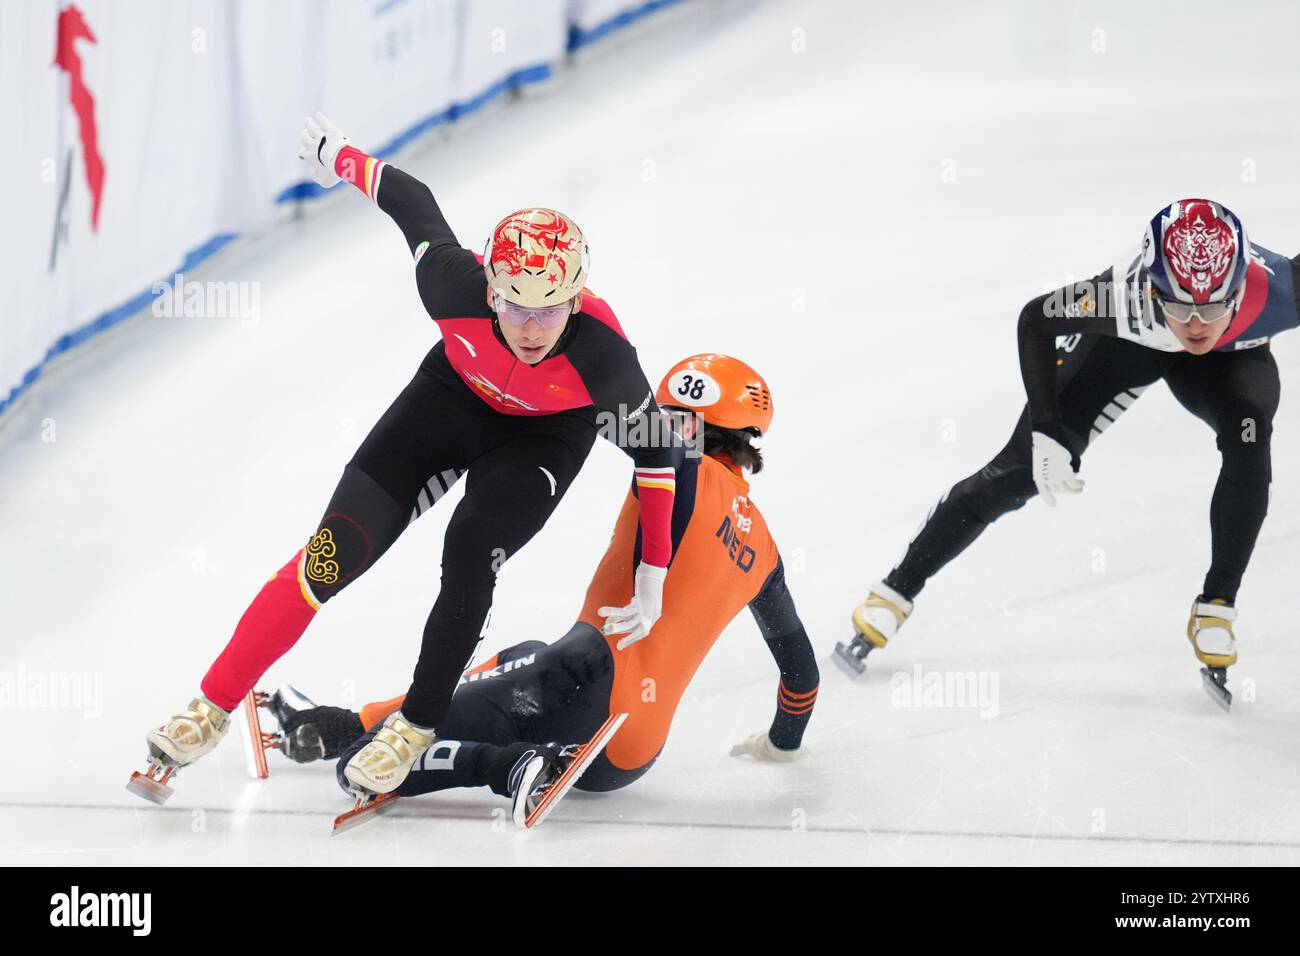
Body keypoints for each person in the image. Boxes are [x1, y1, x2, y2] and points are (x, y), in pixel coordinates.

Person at [130, 114, 679, 804]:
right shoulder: (450, 283)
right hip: (448, 401)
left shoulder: (604, 359)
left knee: (472, 547)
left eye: (551, 311)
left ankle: (413, 728)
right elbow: (410, 200)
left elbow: (661, 450)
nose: (533, 329)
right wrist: (339, 154)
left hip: (545, 436)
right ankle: (208, 707)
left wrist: (653, 567)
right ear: (490, 290)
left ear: (576, 298)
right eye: (516, 309)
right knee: (328, 556)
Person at [263, 355, 819, 825]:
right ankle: (350, 720)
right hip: (630, 752)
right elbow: (802, 672)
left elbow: (627, 424)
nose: (663, 428)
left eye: (672, 419)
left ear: (693, 428)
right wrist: (781, 745)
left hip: (578, 684)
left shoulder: (674, 463)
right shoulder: (765, 551)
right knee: (525, 654)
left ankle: (504, 766)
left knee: (363, 765)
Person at [839, 199, 1297, 710]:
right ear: (1150, 286)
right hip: (1124, 346)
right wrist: (1046, 429)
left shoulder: (1284, 289)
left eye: (1212, 306)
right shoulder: (1120, 299)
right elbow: (1035, 321)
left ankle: (1217, 604)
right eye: (1178, 304)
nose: (1194, 324)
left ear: (1239, 288)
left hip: (1229, 362)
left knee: (1251, 441)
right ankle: (894, 592)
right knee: (1017, 474)